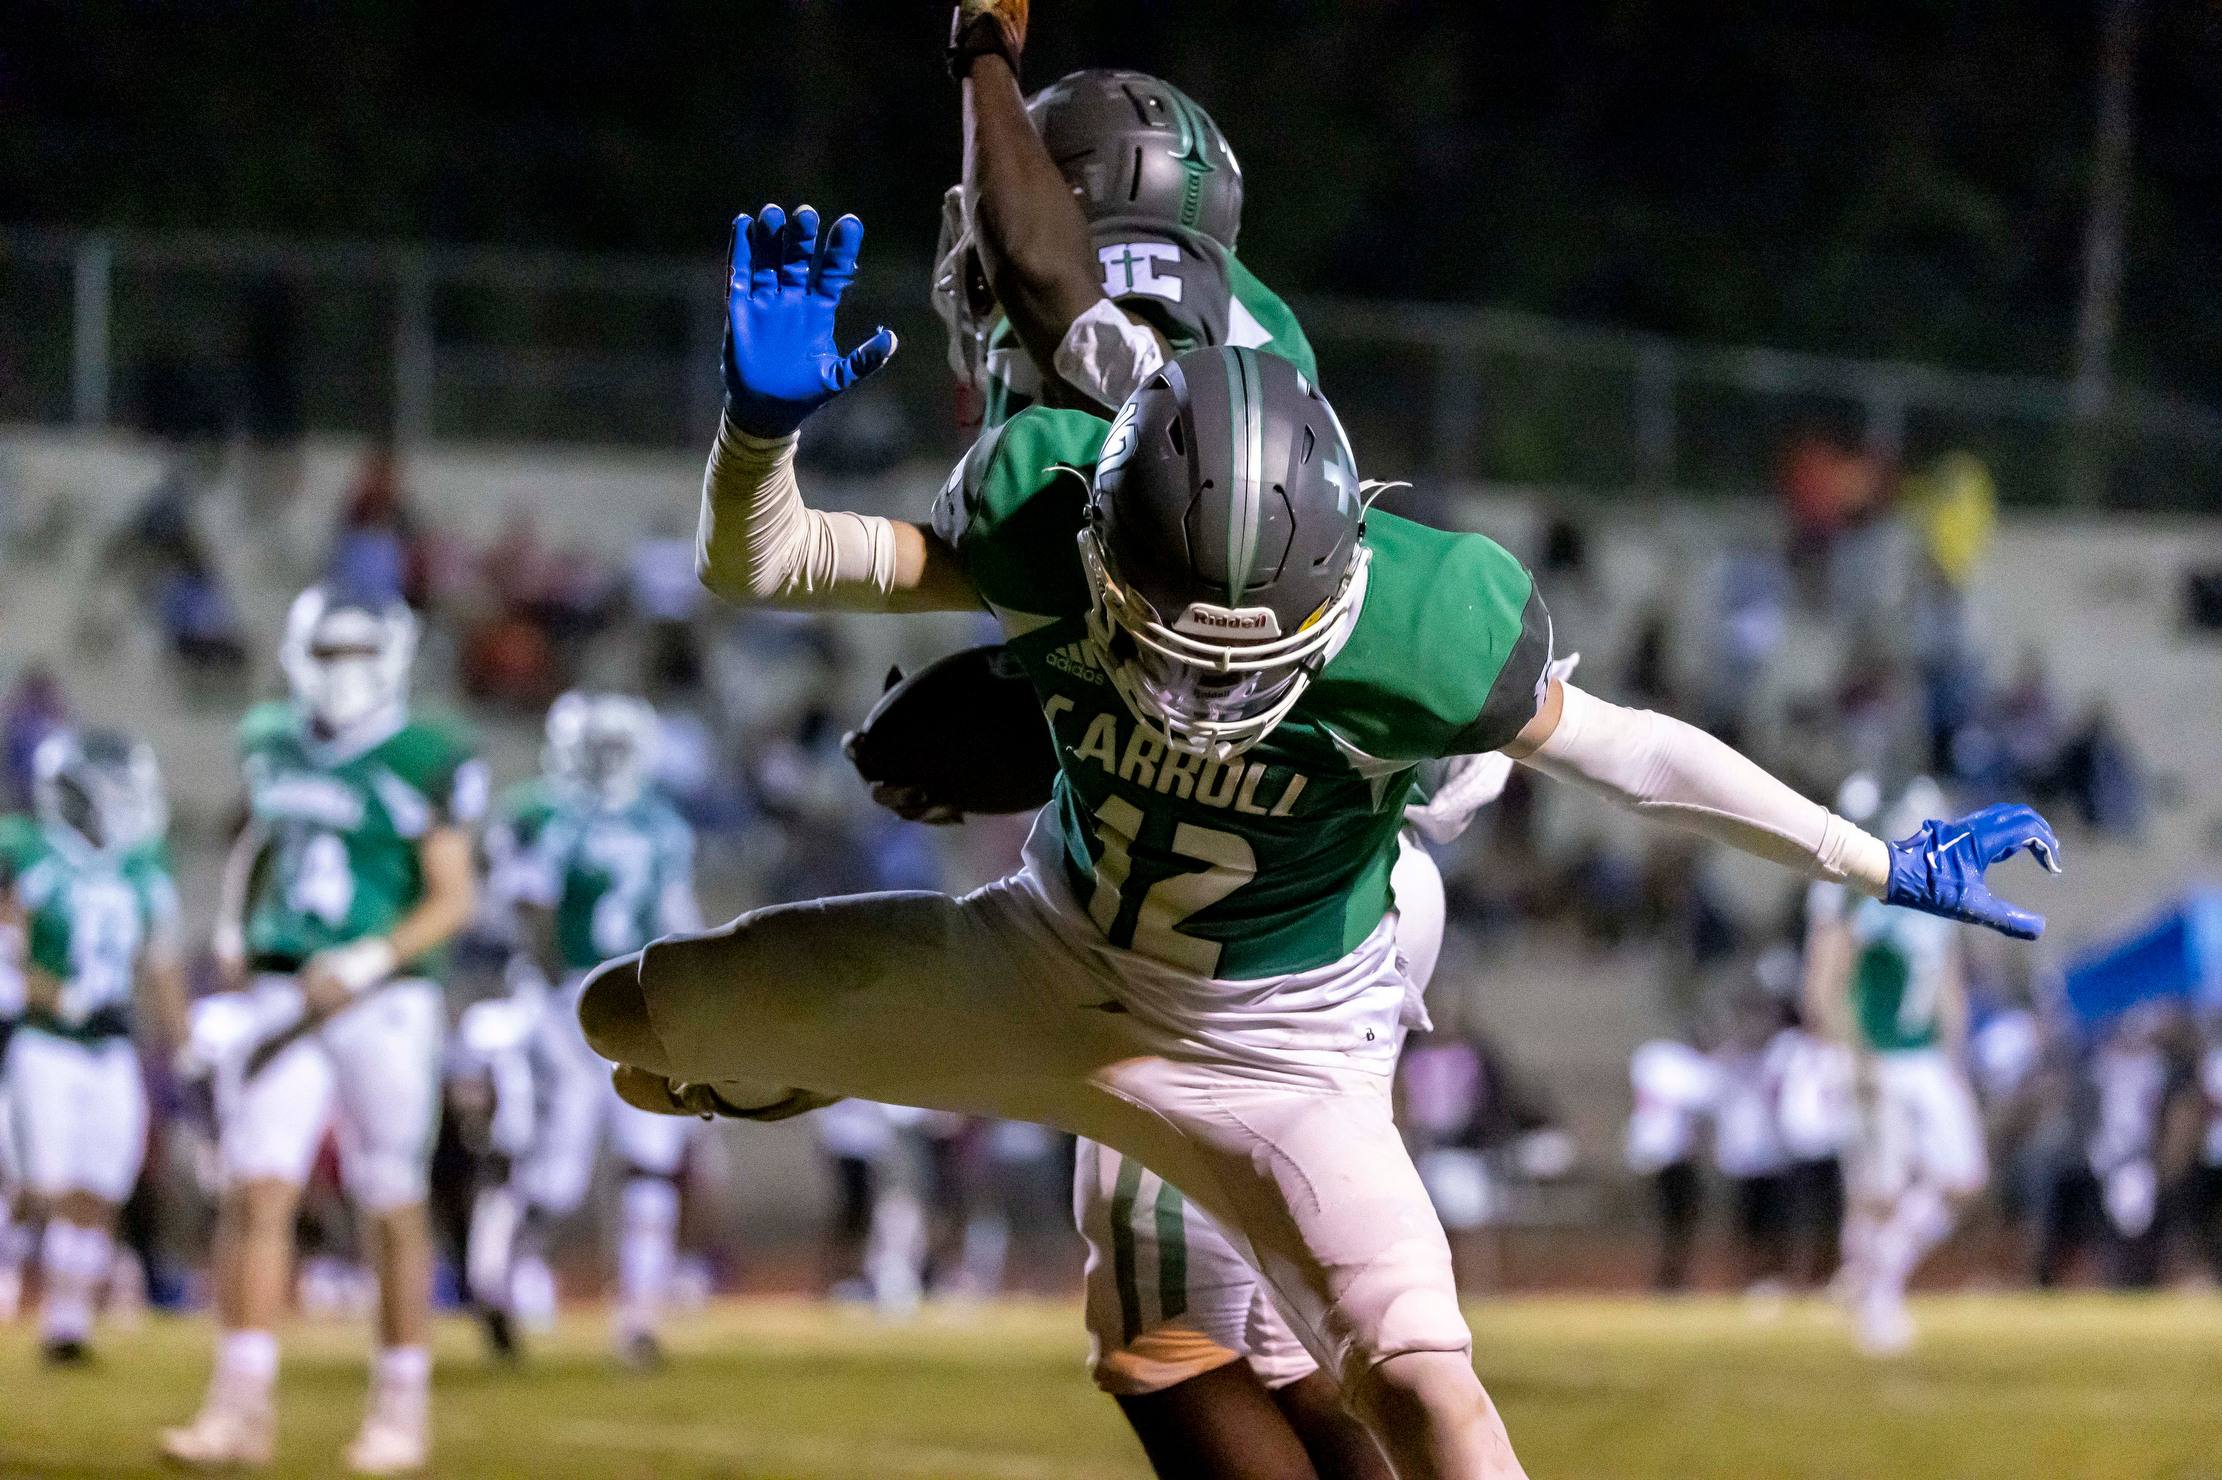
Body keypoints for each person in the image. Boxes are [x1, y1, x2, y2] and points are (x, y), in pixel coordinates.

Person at [585, 203, 2061, 1480]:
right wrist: (757, 437)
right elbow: (763, 558)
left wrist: (1876, 859)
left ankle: (787, 1073)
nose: (1202, 692)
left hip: (1278, 1046)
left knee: (1425, 1387)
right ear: (1104, 537)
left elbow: (1636, 753)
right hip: (1042, 955)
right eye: (1174, 642)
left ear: (1342, 568)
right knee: (626, 1024)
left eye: (1247, 656)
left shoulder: (1430, 626)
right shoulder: (1044, 500)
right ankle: (764, 1078)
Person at [161, 585, 482, 1475]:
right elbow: (261, 838)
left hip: (384, 999)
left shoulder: (431, 754)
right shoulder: (270, 736)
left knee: (391, 1202)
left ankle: (400, 1412)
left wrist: (369, 961)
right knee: (255, 1193)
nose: (341, 673)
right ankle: (238, 1409)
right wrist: (232, 925)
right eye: (327, 653)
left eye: (355, 653)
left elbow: (455, 896)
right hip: (281, 988)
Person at [468, 691, 705, 1367]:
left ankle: (639, 1318)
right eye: (596, 748)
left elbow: (677, 920)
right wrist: (550, 999)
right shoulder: (539, 815)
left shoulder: (664, 824)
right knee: (559, 1172)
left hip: (643, 1000)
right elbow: (527, 915)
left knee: (650, 1160)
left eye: (616, 748)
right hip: (564, 996)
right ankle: (501, 1279)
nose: (606, 763)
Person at [0, 730, 186, 1362]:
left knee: (101, 1187)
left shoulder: (142, 867)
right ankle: (30, 1293)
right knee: (44, 1187)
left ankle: (67, 1324)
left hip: (111, 1046)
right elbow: (7, 955)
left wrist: (184, 1043)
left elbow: (160, 965)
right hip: (46, 1040)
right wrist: (63, 998)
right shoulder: (28, 853)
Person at [1803, 776, 1989, 1354]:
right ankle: (1877, 1301)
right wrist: (1851, 1054)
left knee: (1962, 1177)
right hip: (1879, 1055)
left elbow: (1948, 987)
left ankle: (1868, 1276)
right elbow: (1825, 983)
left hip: (1927, 1057)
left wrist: (1956, 1058)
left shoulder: (1943, 896)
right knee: (1877, 1187)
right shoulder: (1864, 892)